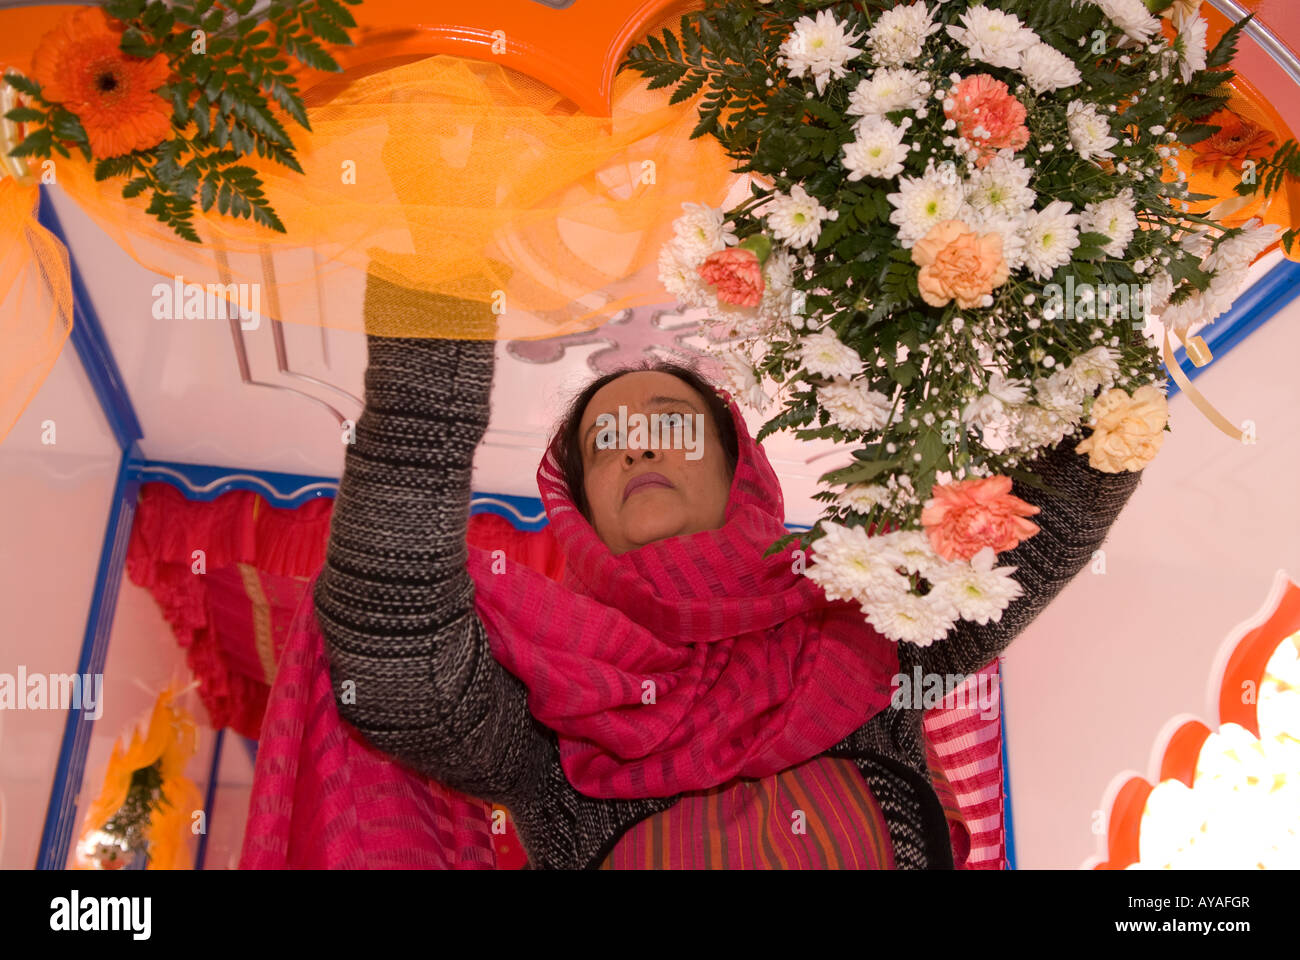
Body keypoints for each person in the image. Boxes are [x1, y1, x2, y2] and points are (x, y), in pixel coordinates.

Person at [310, 273, 1145, 869]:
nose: (636, 443)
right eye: (603, 443)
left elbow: (1070, 495)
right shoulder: (541, 705)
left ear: (738, 468)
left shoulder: (877, 618)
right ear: (579, 509)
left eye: (670, 424)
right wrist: (432, 299)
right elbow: (392, 666)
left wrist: (1070, 292)